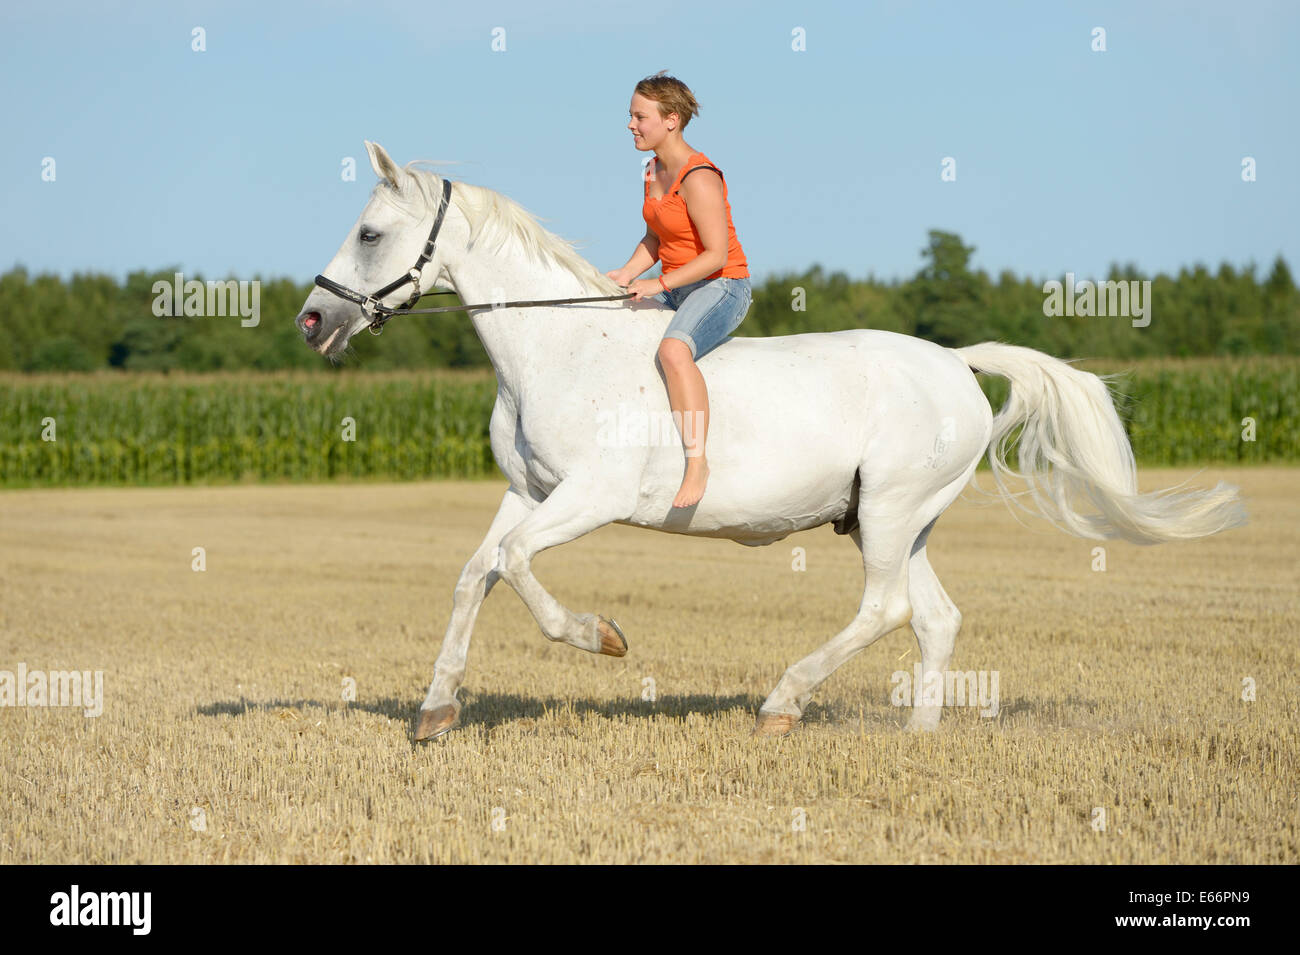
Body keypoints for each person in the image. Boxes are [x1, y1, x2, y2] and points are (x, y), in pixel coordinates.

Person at [606, 71, 752, 509]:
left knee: (673, 352)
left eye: (639, 116)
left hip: (721, 285)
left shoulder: (699, 176)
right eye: (630, 115)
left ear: (671, 120)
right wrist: (624, 275)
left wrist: (659, 283)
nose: (630, 124)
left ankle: (697, 463)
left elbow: (714, 254)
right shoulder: (652, 170)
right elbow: (656, 237)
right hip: (678, 285)